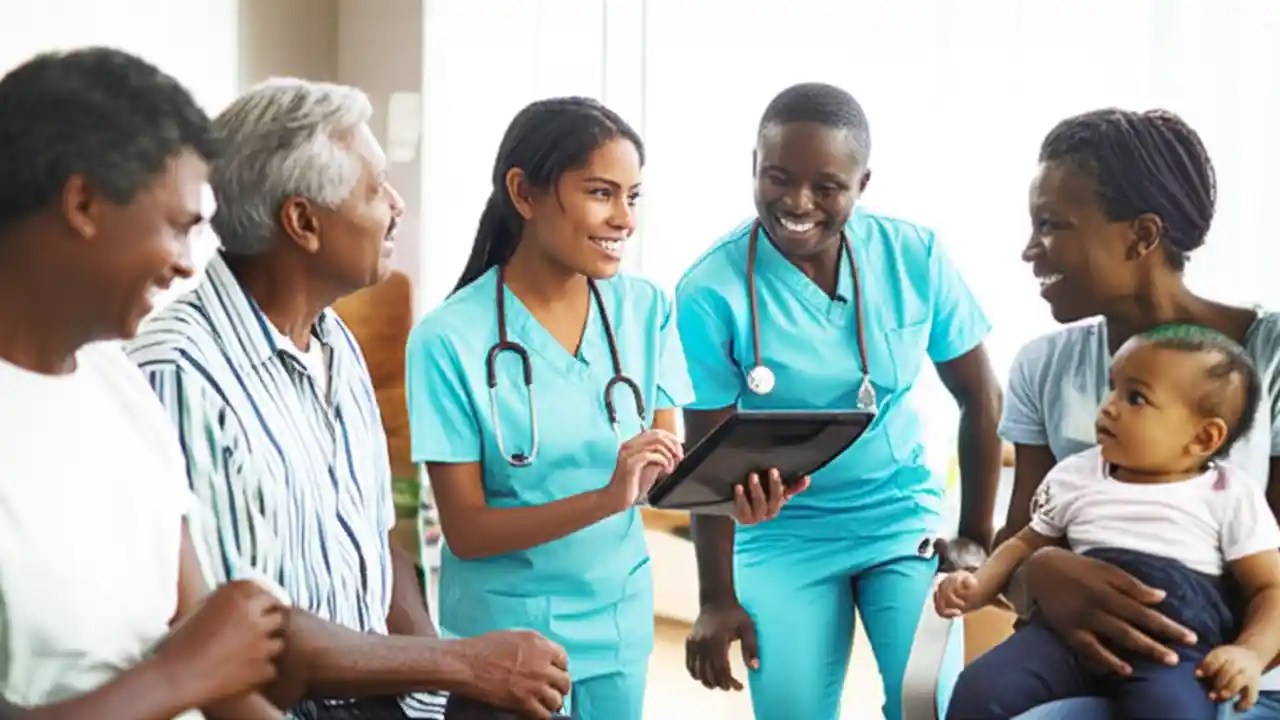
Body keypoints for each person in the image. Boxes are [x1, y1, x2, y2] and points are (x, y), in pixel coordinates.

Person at [125, 79, 571, 720]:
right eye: (375, 189)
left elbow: (374, 539)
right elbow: (223, 644)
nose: (396, 206)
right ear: (303, 222)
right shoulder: (177, 374)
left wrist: (441, 683)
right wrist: (460, 663)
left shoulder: (335, 340)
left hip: (379, 696)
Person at [404, 97, 789, 720]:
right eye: (601, 193)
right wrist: (607, 498)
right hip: (506, 640)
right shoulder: (448, 339)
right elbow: (468, 532)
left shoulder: (646, 309)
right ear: (524, 193)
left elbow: (663, 477)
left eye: (633, 197)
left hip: (616, 622)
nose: (624, 219)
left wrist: (735, 493)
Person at [676, 82, 1004, 720]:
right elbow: (706, 460)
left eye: (827, 187)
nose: (798, 202)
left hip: (900, 517)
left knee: (928, 702)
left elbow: (982, 398)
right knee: (792, 711)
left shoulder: (915, 257)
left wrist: (975, 536)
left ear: (862, 183)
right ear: (753, 168)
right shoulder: (709, 291)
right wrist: (716, 596)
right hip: (781, 532)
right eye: (777, 177)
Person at [0, 47, 287, 719]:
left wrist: (207, 662)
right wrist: (180, 678)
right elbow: (196, 664)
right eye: (179, 228)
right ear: (84, 203)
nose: (189, 266)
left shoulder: (119, 386)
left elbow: (207, 652)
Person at [997, 108, 1280, 718]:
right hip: (1081, 669)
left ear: (1142, 235)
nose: (1028, 250)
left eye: (1051, 225)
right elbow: (1017, 546)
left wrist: (1236, 651)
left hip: (1238, 677)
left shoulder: (1270, 360)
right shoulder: (1043, 367)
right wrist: (1040, 575)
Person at [939, 326, 1280, 718]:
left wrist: (1250, 653)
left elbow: (1270, 588)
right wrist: (977, 587)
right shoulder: (1077, 475)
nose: (1109, 406)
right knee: (979, 691)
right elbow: (1023, 543)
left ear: (1203, 437)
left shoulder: (1228, 493)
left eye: (1136, 397)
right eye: (1112, 387)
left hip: (1172, 653)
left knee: (1177, 713)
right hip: (1062, 638)